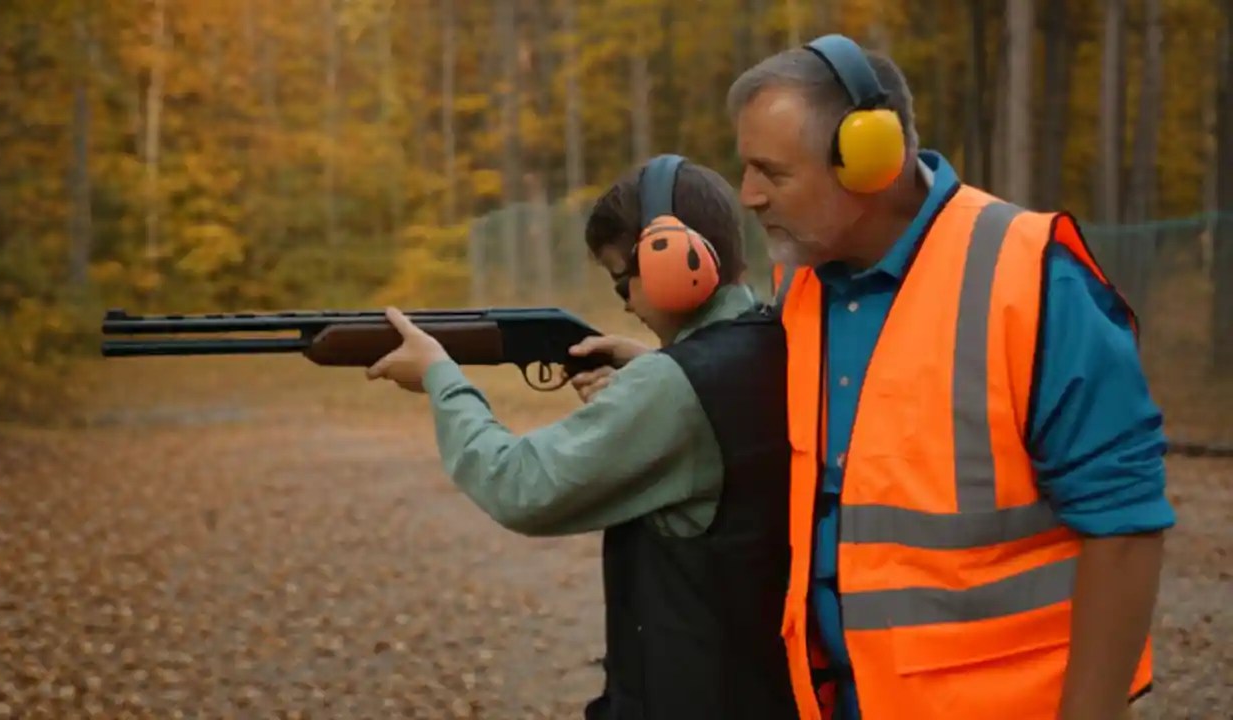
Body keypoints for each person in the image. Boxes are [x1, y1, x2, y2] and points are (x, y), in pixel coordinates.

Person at [725, 34, 1174, 720]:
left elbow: (1125, 527)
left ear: (872, 164)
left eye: (772, 172)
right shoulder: (802, 283)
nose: (749, 195)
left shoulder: (1031, 278)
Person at [365, 154, 800, 720]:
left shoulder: (673, 386)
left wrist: (440, 378)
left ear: (675, 260)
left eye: (625, 281)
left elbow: (518, 486)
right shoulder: (772, 339)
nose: (627, 303)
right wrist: (654, 366)